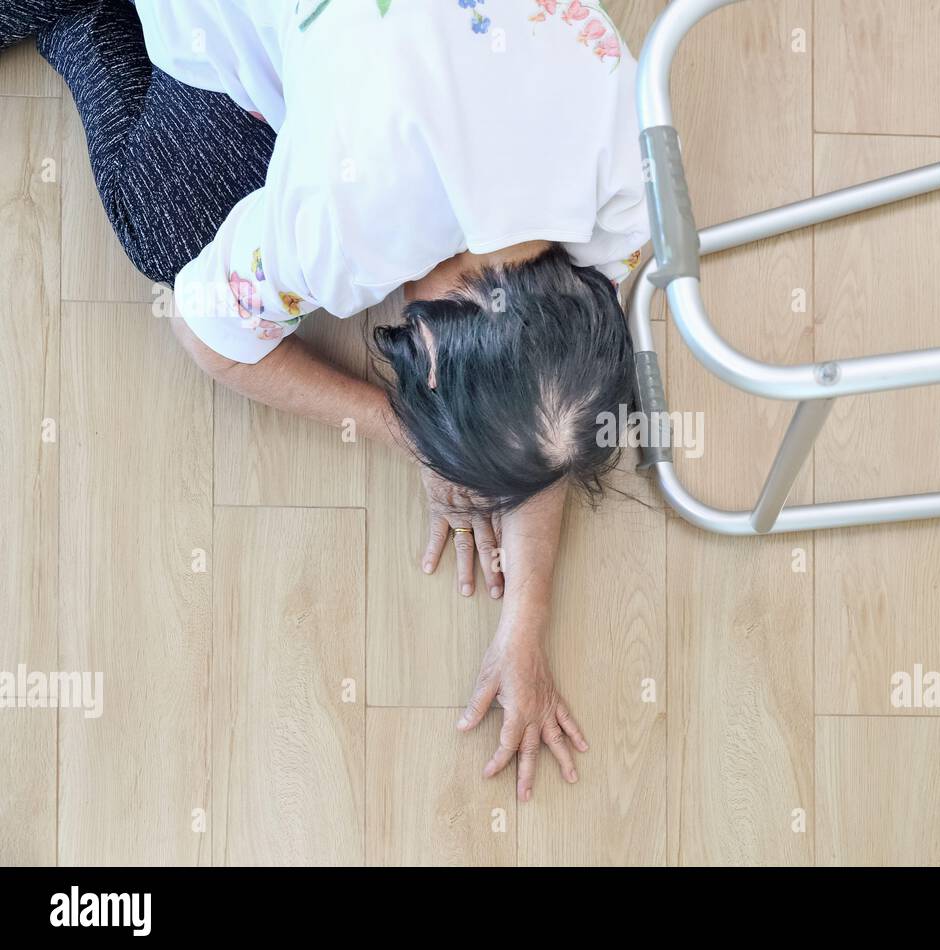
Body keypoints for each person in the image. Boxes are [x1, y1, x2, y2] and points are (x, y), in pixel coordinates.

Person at [0, 0, 651, 800]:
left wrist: (525, 624)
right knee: (168, 230)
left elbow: (553, 394)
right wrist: (405, 430)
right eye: (417, 359)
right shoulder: (354, 221)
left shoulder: (626, 165)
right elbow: (208, 334)